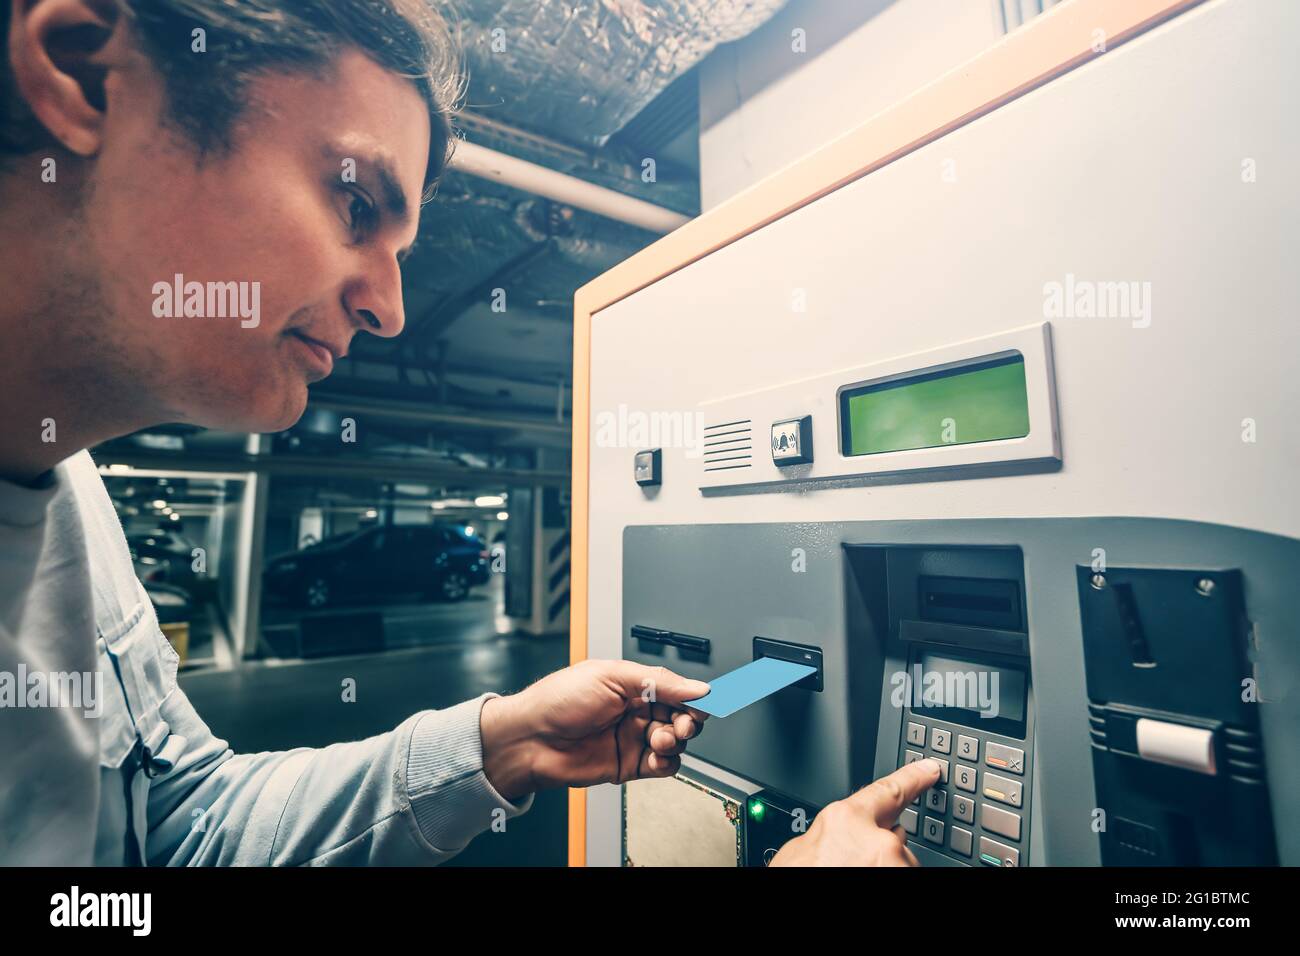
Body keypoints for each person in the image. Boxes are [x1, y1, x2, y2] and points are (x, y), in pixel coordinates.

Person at [0, 0, 938, 866]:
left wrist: (506, 744)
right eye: (356, 204)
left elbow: (184, 823)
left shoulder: (64, 492)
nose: (391, 309)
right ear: (88, 73)